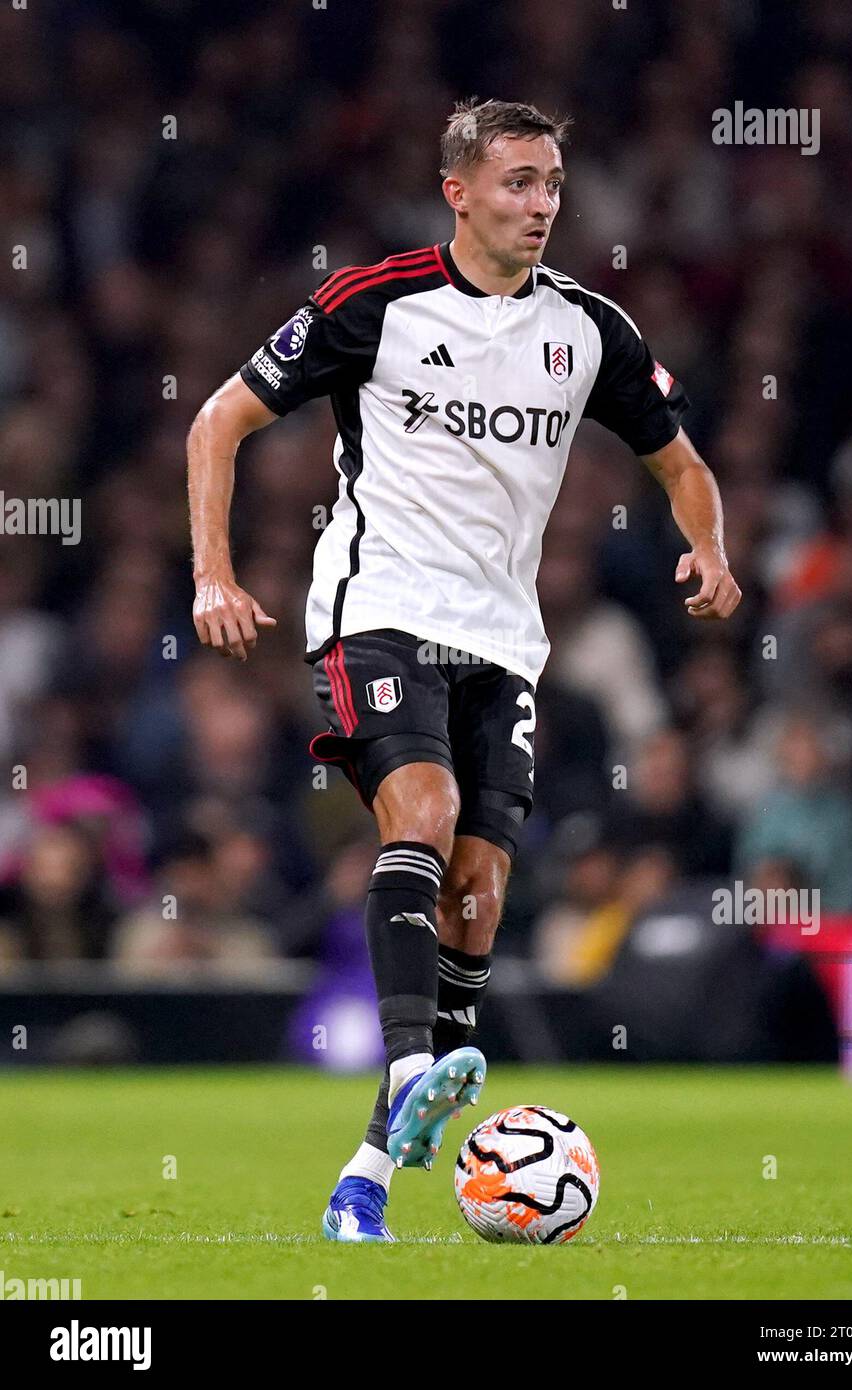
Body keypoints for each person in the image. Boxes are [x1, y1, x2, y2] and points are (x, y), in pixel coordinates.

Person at [186, 97, 742, 1242]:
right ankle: (406, 1073)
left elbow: (680, 460)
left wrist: (711, 547)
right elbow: (216, 424)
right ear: (459, 191)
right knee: (424, 811)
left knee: (478, 899)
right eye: (518, 183)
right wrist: (212, 574)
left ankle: (366, 1181)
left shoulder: (589, 330)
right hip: (376, 607)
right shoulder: (371, 303)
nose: (541, 205)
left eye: (551, 184)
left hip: (506, 634)